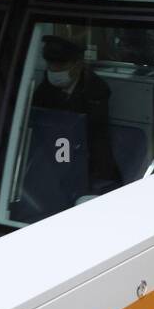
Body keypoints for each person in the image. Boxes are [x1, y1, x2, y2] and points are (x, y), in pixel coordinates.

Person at [31, 35, 120, 192]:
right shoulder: (44, 89)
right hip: (54, 154)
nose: (54, 71)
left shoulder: (96, 90)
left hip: (88, 158)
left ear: (77, 65)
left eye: (61, 66)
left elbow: (92, 133)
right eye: (51, 65)